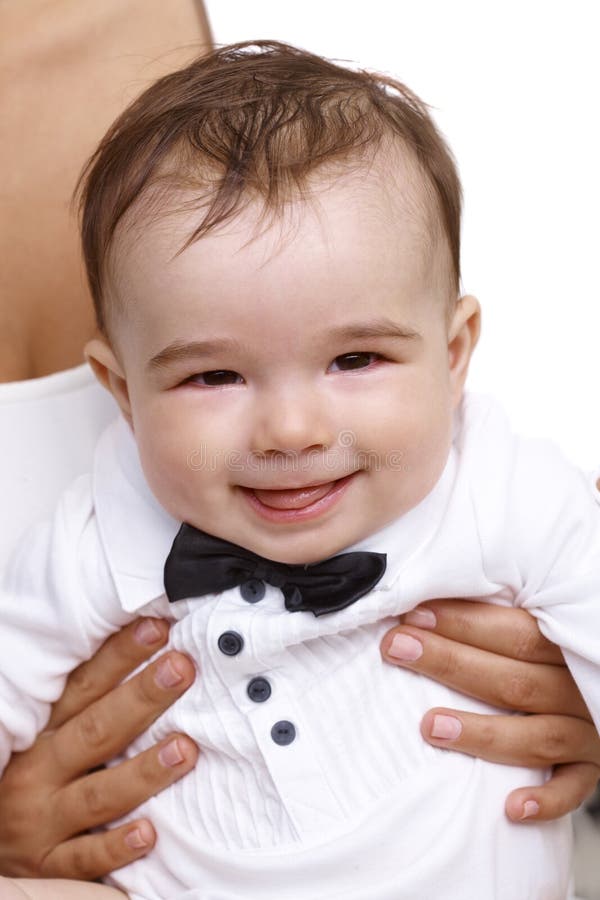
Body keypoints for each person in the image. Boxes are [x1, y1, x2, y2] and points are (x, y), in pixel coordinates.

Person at [1, 40, 599, 900]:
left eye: (355, 359)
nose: (290, 430)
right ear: (122, 391)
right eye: (214, 376)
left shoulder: (506, 488)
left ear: (455, 351)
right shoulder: (98, 532)